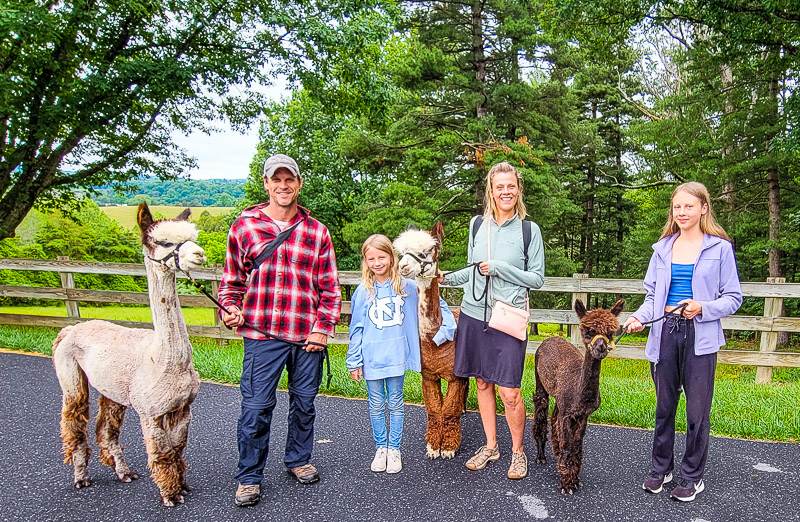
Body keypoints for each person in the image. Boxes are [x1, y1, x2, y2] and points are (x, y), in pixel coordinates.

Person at [218, 154, 342, 507]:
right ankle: (249, 477)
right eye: (277, 180)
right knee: (256, 407)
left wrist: (323, 328)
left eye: (290, 180)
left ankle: (298, 460)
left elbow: (330, 288)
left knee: (304, 404)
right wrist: (230, 309)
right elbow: (231, 284)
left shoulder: (317, 231)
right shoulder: (245, 227)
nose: (283, 186)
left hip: (306, 337)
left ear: (299, 184)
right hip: (261, 336)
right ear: (266, 183)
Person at [623, 181, 742, 502]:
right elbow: (651, 297)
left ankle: (692, 476)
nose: (682, 212)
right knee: (664, 409)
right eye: (677, 207)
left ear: (704, 208)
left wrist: (703, 307)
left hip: (700, 338)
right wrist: (638, 318)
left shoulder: (720, 249)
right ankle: (661, 469)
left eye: (689, 206)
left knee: (696, 413)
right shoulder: (662, 248)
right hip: (664, 334)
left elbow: (733, 298)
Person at [440, 161, 545, 480]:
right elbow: (473, 269)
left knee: (509, 391)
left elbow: (537, 279)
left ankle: (517, 452)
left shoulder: (530, 230)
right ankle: (491, 446)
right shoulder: (476, 225)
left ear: (518, 189)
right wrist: (443, 278)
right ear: (491, 190)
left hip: (508, 318)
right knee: (482, 382)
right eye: (500, 186)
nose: (506, 191)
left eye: (511, 186)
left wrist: (501, 267)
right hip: (473, 314)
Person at [346, 234, 456, 474]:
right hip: (372, 357)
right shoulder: (363, 292)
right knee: (376, 405)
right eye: (371, 259)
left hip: (396, 356)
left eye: (382, 257)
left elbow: (437, 304)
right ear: (366, 261)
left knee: (396, 403)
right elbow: (356, 327)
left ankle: (394, 448)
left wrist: (446, 331)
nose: (377, 263)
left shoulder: (407, 287)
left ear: (392, 257)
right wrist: (354, 359)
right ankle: (381, 448)